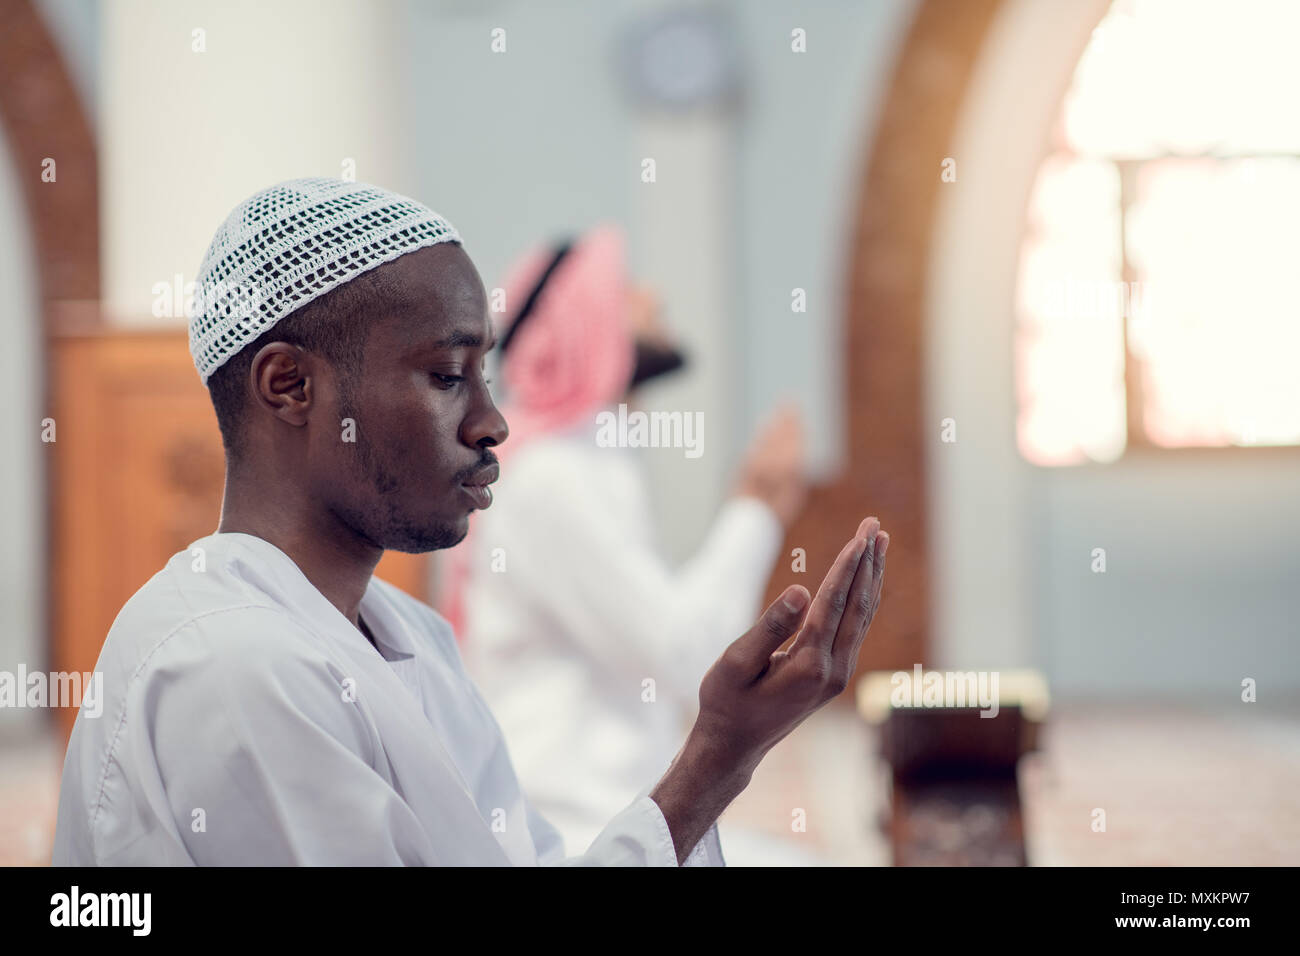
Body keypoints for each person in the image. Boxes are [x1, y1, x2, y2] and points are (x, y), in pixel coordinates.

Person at [51, 178, 889, 866]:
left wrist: (722, 755)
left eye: (483, 374)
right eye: (448, 374)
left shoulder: (405, 636)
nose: (493, 423)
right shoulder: (233, 665)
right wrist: (712, 758)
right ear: (290, 388)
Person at [443, 225, 810, 856]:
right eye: (626, 289)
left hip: (612, 812)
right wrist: (757, 507)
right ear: (584, 326)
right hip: (567, 829)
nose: (651, 295)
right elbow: (687, 654)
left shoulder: (583, 463)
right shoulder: (552, 480)